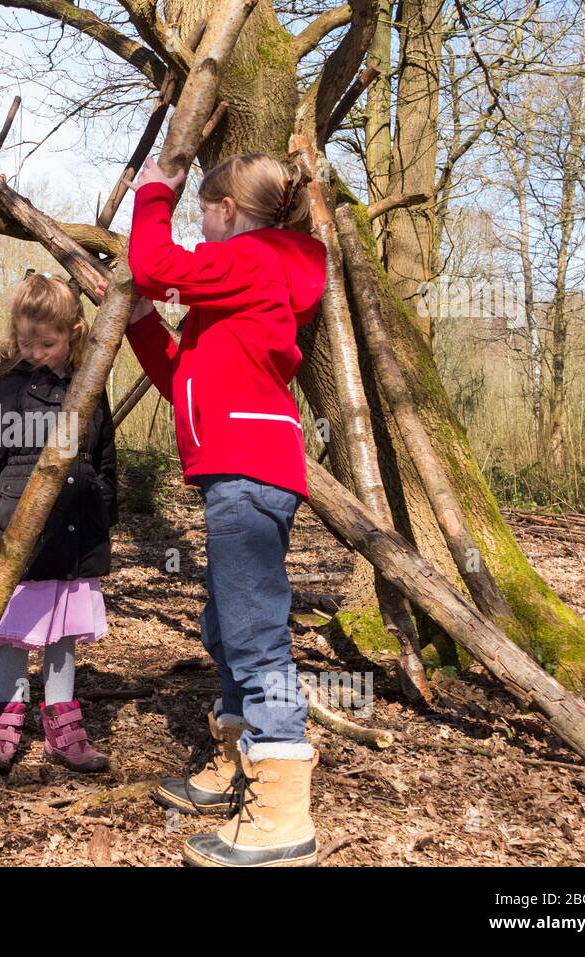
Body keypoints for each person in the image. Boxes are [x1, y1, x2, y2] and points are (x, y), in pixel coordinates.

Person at [124, 153, 327, 866]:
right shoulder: (243, 282)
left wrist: (156, 190)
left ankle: (283, 810)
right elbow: (181, 377)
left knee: (256, 632)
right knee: (229, 621)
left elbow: (153, 262)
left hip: (248, 467)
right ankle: (242, 762)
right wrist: (145, 323)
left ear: (228, 212)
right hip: (238, 467)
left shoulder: (250, 262)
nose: (193, 226)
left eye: (198, 211)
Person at [0, 271, 117, 774]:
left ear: (73, 335)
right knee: (13, 633)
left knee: (63, 634)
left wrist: (103, 511)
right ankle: (4, 727)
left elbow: (106, 458)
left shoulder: (89, 390)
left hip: (74, 533)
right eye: (27, 342)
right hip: (14, 537)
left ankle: (63, 730)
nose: (37, 352)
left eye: (48, 343)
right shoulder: (7, 391)